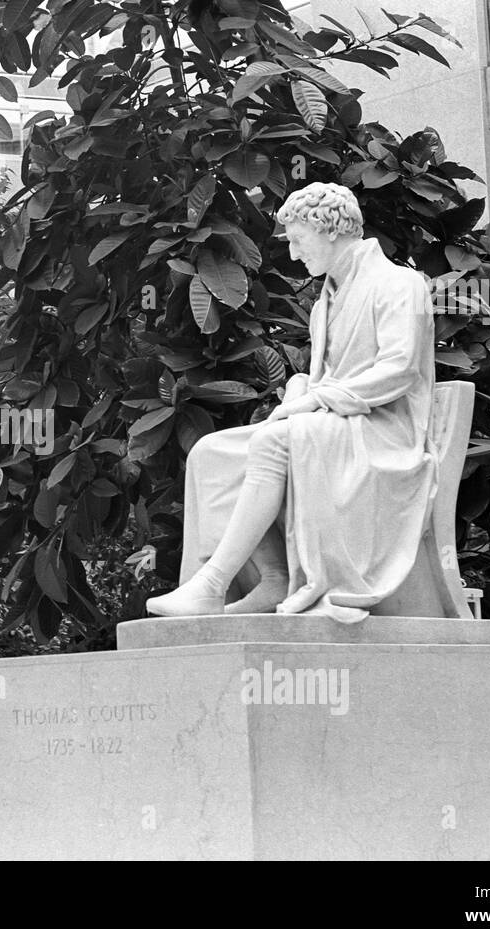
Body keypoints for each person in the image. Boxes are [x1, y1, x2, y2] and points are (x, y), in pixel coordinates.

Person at [146, 182, 436, 623]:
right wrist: (303, 387)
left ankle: (213, 585)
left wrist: (318, 398)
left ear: (331, 230)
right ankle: (274, 576)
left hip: (383, 430)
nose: (296, 255)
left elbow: (400, 369)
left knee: (274, 443)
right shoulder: (326, 302)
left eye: (299, 241)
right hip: (332, 425)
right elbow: (327, 375)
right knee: (211, 453)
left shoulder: (399, 283)